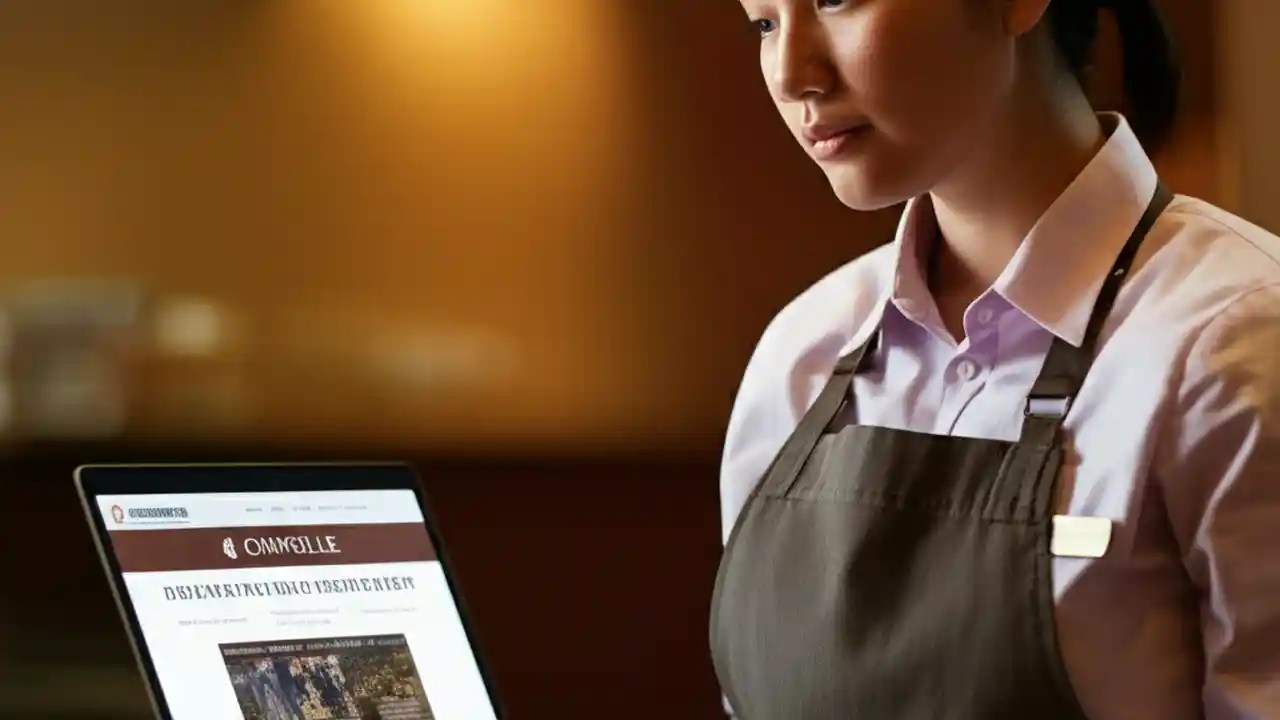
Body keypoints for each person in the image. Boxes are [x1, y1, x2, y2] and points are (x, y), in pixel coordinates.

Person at [709, 1, 1280, 719]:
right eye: (764, 23)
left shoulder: (1240, 339)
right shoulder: (803, 354)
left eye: (838, 0)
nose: (793, 74)